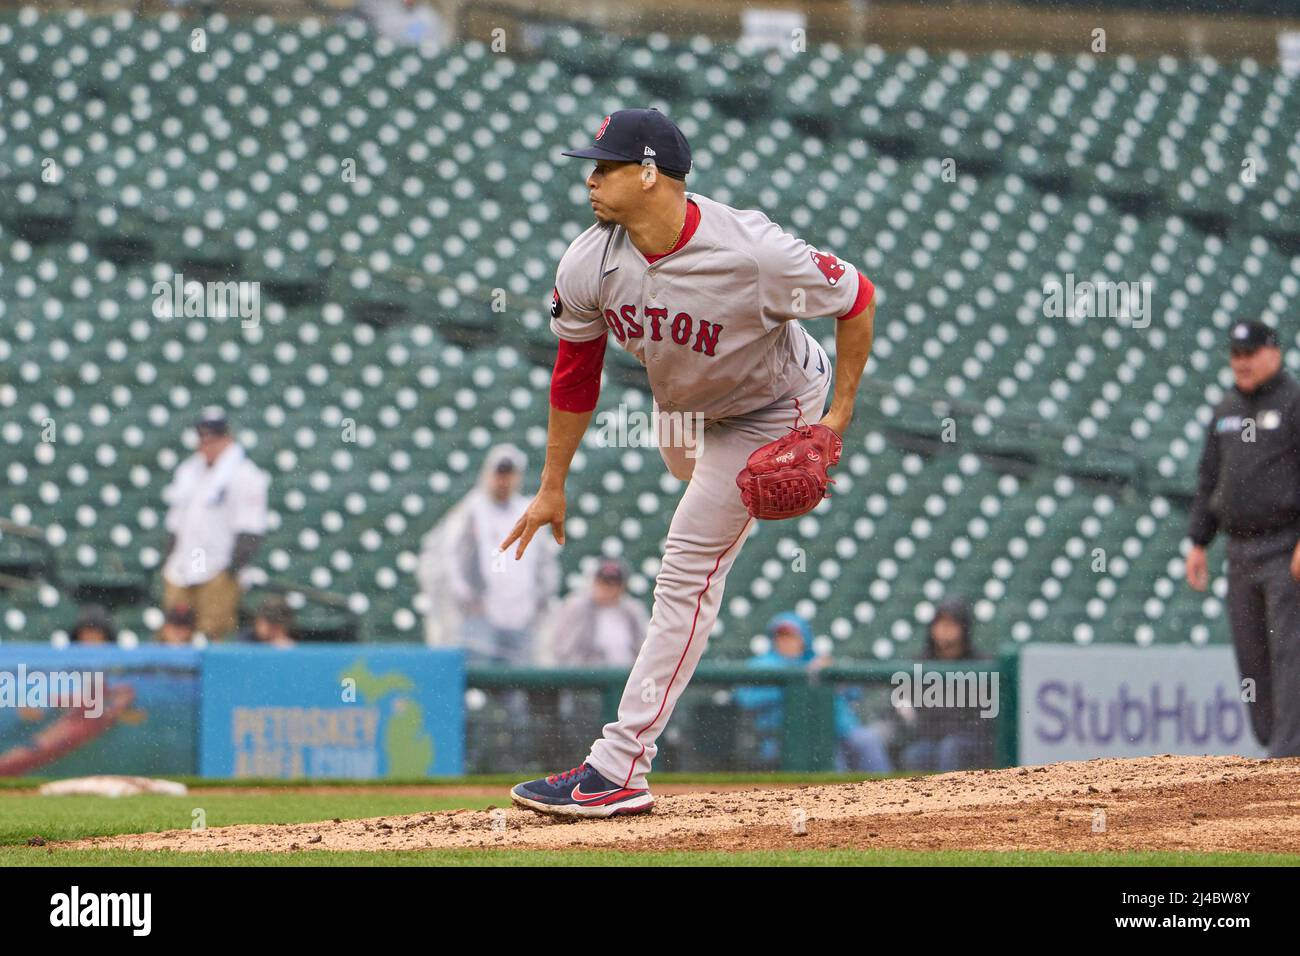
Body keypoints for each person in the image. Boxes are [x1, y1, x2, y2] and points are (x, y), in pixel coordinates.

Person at [505, 107, 876, 817]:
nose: (590, 179)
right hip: (683, 408)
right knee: (688, 484)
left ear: (650, 174)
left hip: (773, 405)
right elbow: (574, 373)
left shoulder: (755, 253)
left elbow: (856, 298)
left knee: (686, 570)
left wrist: (836, 417)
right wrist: (553, 485)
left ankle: (618, 768)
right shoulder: (591, 260)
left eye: (604, 166)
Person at [1185, 320, 1300, 758]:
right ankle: (1275, 742)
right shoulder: (1225, 409)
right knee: (1252, 655)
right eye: (1235, 354)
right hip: (1239, 550)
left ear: (1274, 353)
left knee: (1290, 649)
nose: (1241, 362)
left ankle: (1289, 754)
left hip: (1285, 547)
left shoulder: (1294, 402)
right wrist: (1198, 542)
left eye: (1249, 353)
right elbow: (1208, 478)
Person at [417, 444, 560, 665]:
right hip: (480, 616)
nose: (503, 481)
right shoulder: (470, 512)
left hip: (521, 616)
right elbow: (448, 561)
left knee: (520, 684)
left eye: (509, 474)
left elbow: (546, 565)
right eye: (499, 473)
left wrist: (538, 601)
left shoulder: (529, 512)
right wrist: (467, 599)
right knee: (479, 678)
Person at [734, 612, 892, 774]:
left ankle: (883, 794)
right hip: (786, 736)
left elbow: (854, 693)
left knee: (868, 740)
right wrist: (794, 685)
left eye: (792, 636)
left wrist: (838, 680)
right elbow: (745, 698)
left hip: (840, 730)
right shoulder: (762, 665)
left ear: (803, 639)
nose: (786, 642)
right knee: (830, 758)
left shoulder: (815, 660)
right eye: (781, 637)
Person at [160, 408, 269, 639]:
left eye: (213, 439)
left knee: (213, 634)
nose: (207, 445)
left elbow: (250, 529)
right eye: (203, 438)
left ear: (227, 438)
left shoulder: (244, 475)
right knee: (174, 636)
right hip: (182, 567)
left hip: (216, 567)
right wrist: (168, 558)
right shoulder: (188, 471)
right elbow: (175, 522)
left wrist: (231, 571)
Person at [895, 596, 988, 772]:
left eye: (951, 624)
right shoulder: (920, 664)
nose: (944, 630)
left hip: (968, 740)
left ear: (963, 628)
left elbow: (983, 720)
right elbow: (909, 709)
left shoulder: (980, 664)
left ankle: (952, 799)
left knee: (951, 747)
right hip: (930, 739)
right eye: (940, 623)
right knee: (915, 754)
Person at [542, 558, 649, 667]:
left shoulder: (632, 611)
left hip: (624, 675)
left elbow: (643, 648)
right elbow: (561, 648)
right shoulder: (577, 608)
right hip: (586, 676)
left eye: (614, 584)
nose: (608, 588)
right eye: (605, 582)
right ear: (595, 582)